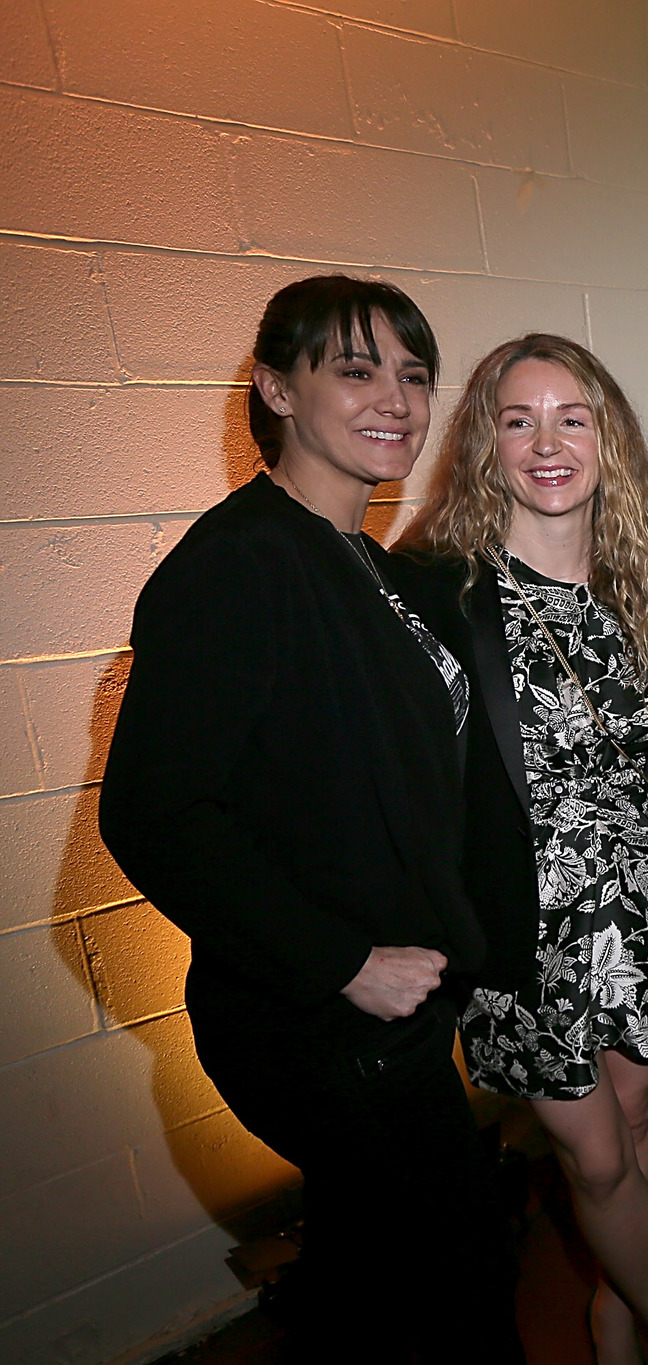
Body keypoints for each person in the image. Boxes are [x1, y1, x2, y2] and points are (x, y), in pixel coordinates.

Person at [98, 276, 522, 1363]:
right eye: (356, 368)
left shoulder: (360, 562)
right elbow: (155, 814)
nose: (395, 398)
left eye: (413, 374)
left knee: (375, 1282)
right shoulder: (239, 564)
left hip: (392, 1010)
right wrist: (343, 961)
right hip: (320, 1024)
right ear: (276, 388)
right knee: (459, 1278)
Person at [390, 335, 648, 1365]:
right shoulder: (435, 591)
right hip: (525, 936)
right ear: (485, 443)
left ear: (606, 437)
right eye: (517, 419)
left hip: (643, 913)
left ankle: (617, 1301)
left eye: (572, 416)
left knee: (636, 1118)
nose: (546, 441)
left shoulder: (642, 581)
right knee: (592, 1154)